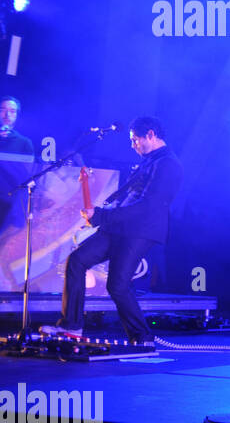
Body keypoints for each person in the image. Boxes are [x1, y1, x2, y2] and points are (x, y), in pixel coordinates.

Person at [42, 117, 182, 345]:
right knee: (77, 260)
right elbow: (130, 196)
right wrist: (101, 211)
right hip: (119, 226)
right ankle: (72, 326)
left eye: (135, 140)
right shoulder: (149, 161)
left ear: (151, 135)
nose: (133, 145)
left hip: (141, 231)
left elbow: (149, 206)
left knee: (117, 284)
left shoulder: (168, 164)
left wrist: (103, 216)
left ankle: (143, 337)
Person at [0, 95, 36, 239]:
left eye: (12, 111)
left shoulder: (24, 143)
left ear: (17, 115)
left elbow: (27, 176)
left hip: (7, 201)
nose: (7, 114)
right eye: (2, 110)